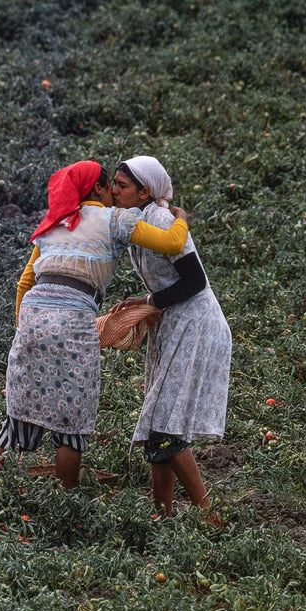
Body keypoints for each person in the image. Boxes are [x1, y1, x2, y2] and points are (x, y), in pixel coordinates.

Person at [0, 159, 189, 488]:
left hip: (33, 316)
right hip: (73, 319)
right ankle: (66, 497)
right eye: (108, 184)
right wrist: (180, 218)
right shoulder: (116, 220)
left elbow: (24, 283)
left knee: (22, 407)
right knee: (72, 416)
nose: (113, 191)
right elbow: (172, 243)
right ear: (97, 188)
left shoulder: (53, 223)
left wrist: (23, 331)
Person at [111, 156, 232, 516]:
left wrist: (152, 301)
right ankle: (162, 513)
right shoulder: (140, 221)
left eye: (122, 185)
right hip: (175, 324)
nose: (115, 192)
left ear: (145, 191)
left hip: (195, 326)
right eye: (114, 184)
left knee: (164, 425)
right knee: (158, 424)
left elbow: (195, 281)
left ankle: (207, 513)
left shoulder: (162, 220)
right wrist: (147, 302)